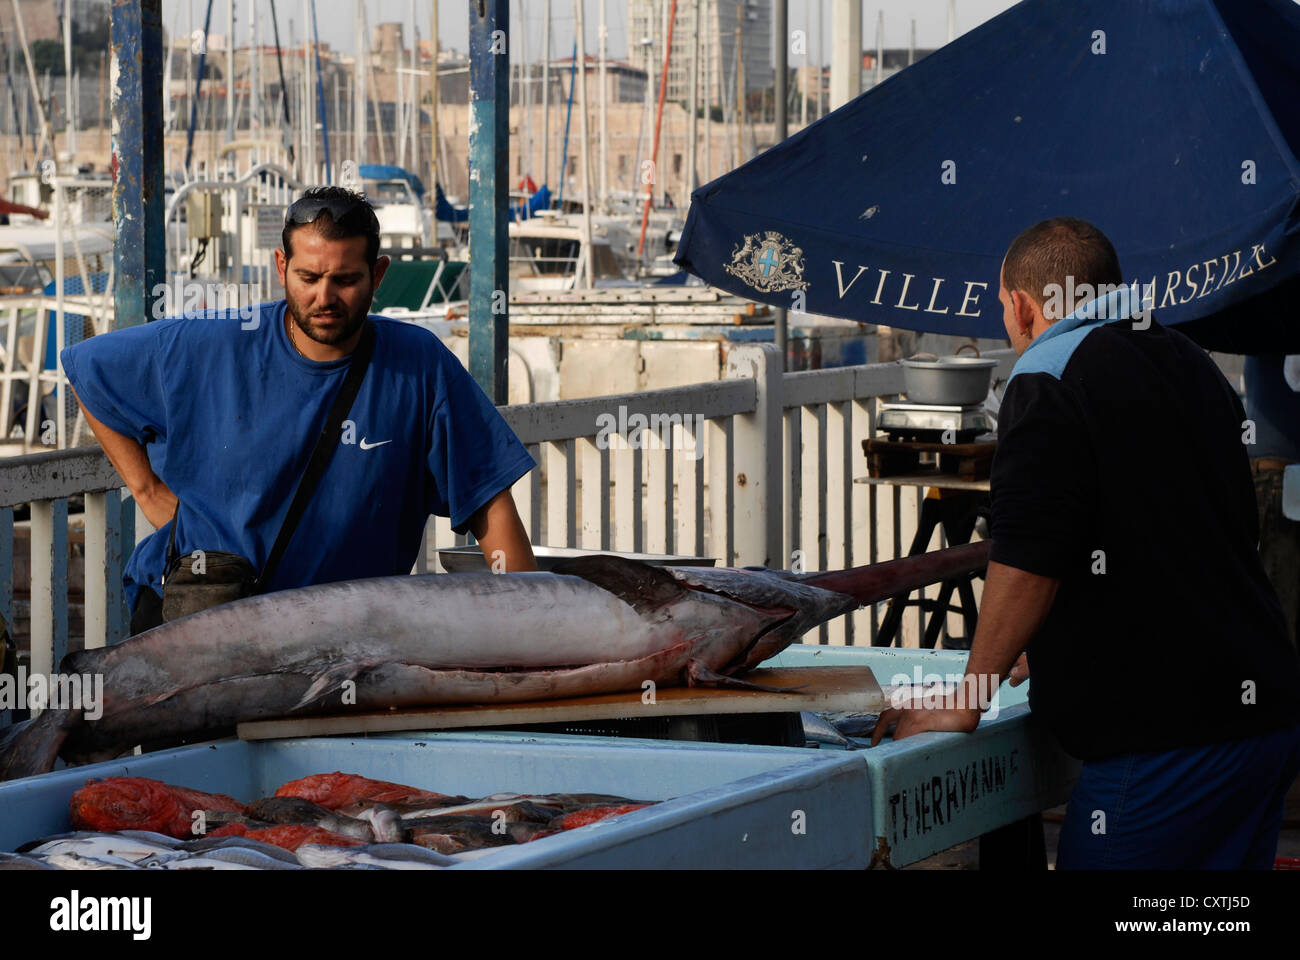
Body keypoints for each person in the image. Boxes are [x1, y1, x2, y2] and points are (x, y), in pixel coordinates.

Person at [871, 216, 1300, 869]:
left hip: (1165, 740)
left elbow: (1028, 559)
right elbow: (1189, 540)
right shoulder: (1191, 362)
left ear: (1021, 305)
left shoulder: (1047, 374)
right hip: (1263, 721)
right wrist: (1061, 647)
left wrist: (967, 697)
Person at [62, 186, 537, 635]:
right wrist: (147, 491)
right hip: (195, 625)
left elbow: (489, 503)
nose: (324, 298)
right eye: (308, 277)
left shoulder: (420, 365)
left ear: (379, 274)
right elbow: (88, 367)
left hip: (344, 643)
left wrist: (530, 634)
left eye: (346, 280)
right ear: (280, 265)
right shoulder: (211, 343)